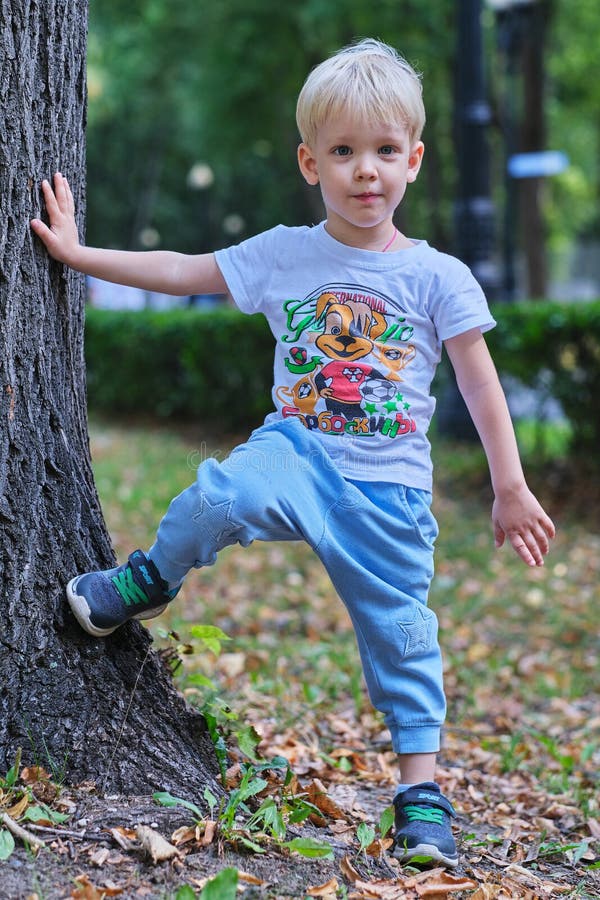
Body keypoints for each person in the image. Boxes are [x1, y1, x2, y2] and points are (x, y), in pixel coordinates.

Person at [31, 38, 555, 870]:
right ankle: (149, 579)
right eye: (343, 153)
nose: (366, 171)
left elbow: (481, 386)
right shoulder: (284, 253)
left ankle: (420, 794)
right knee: (217, 496)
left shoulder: (438, 276)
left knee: (405, 636)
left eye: (384, 152)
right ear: (311, 163)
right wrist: (78, 255)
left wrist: (510, 486)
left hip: (388, 494)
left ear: (414, 160)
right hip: (299, 453)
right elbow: (181, 268)